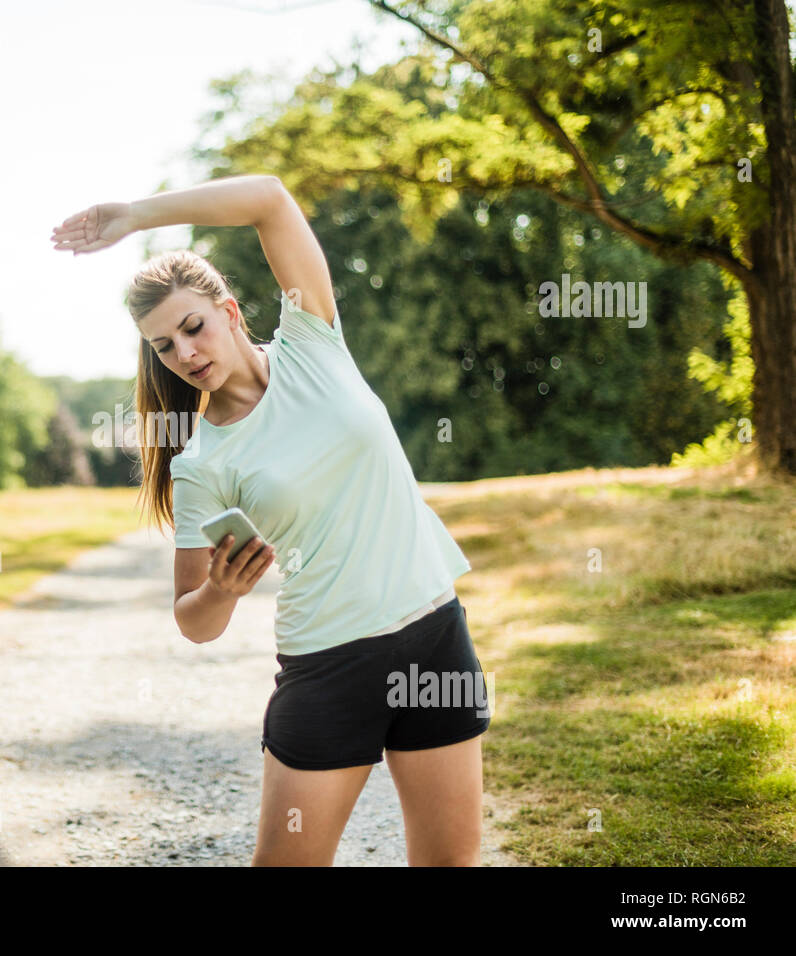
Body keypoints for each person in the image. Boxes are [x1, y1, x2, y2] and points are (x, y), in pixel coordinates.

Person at [50, 174, 489, 866]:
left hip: (435, 634)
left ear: (228, 310)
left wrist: (136, 216)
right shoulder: (202, 463)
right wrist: (222, 591)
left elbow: (269, 200)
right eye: (164, 346)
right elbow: (193, 620)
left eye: (192, 326)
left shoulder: (314, 340)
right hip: (330, 666)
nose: (186, 354)